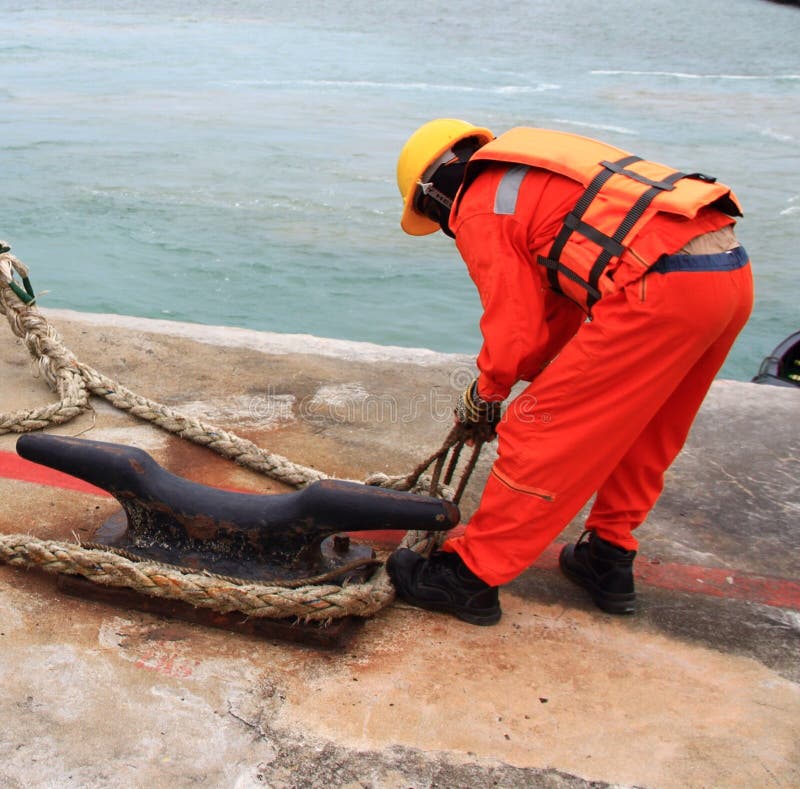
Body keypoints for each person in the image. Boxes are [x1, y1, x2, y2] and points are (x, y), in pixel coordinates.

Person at [386, 119, 753, 626]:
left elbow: (514, 330)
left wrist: (489, 393)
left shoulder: (479, 203)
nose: (446, 227)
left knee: (538, 428)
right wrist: (517, 377)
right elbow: (556, 314)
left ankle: (470, 577)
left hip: (656, 287)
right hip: (726, 270)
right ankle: (608, 558)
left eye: (431, 213)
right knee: (646, 429)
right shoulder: (534, 174)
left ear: (435, 189)